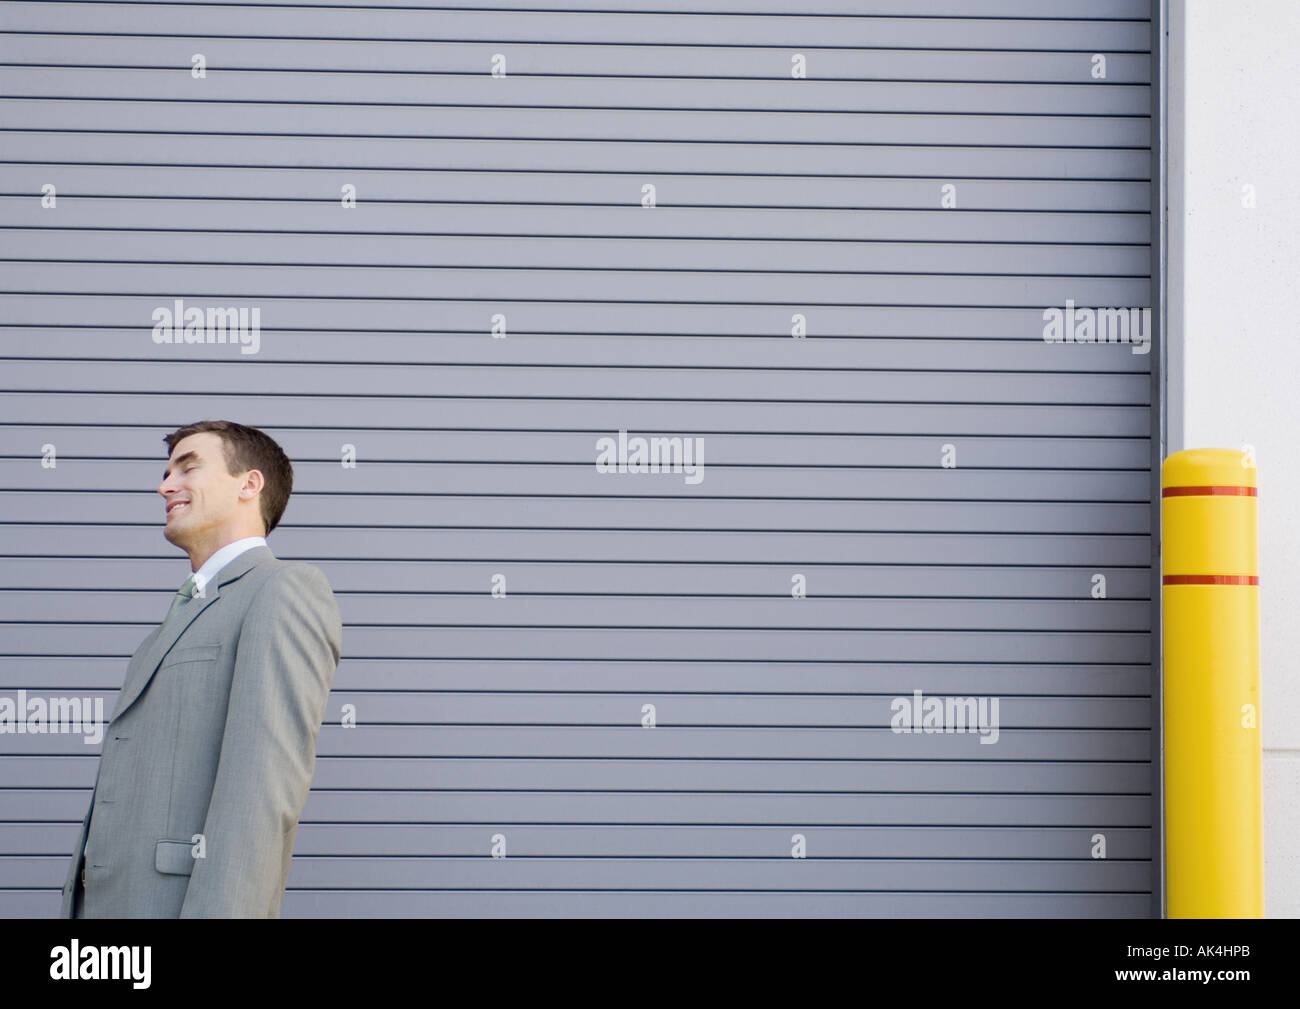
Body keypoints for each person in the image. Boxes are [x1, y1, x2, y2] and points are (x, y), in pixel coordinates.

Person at [60, 420, 342, 917]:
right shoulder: (176, 620)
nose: (164, 486)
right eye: (166, 472)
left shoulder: (283, 590)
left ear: (249, 484)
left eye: (187, 468)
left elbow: (260, 795)